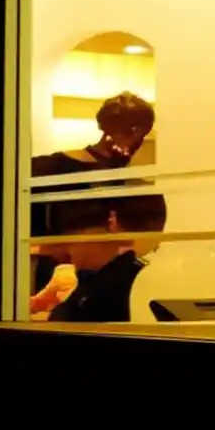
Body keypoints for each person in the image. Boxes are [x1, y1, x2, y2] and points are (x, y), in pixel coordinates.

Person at [30, 92, 155, 294]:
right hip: (60, 278)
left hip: (107, 279)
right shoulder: (50, 169)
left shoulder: (124, 179)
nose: (134, 143)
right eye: (132, 132)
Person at [46, 194, 168, 323]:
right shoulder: (139, 275)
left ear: (112, 221)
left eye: (71, 239)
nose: (67, 251)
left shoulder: (114, 284)